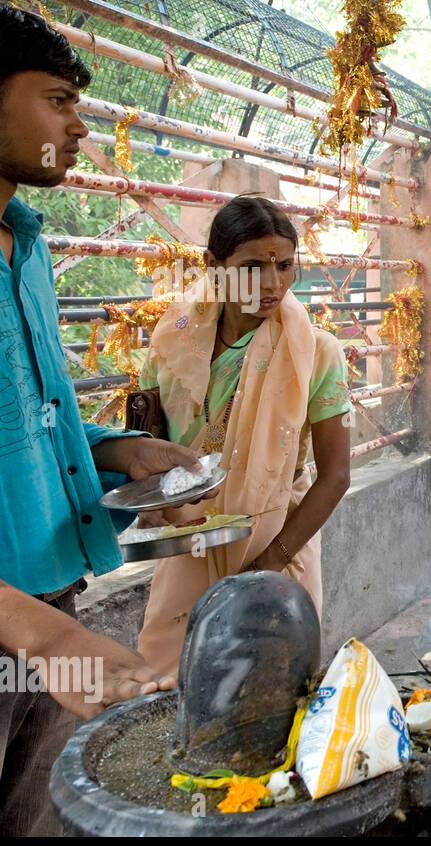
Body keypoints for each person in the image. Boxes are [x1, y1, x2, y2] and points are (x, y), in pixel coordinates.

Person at [0, 6, 183, 836]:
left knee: (33, 816)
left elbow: (34, 416)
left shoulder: (27, 246)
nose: (80, 127)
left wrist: (121, 453)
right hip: (24, 620)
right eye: (57, 100)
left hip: (53, 594)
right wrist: (35, 637)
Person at [135, 197, 353, 676]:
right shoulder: (172, 341)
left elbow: (336, 476)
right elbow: (146, 444)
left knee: (273, 691)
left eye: (286, 266)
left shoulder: (316, 354)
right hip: (188, 541)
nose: (273, 283)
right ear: (214, 266)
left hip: (278, 544)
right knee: (173, 682)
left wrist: (271, 561)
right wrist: (153, 507)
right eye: (253, 266)